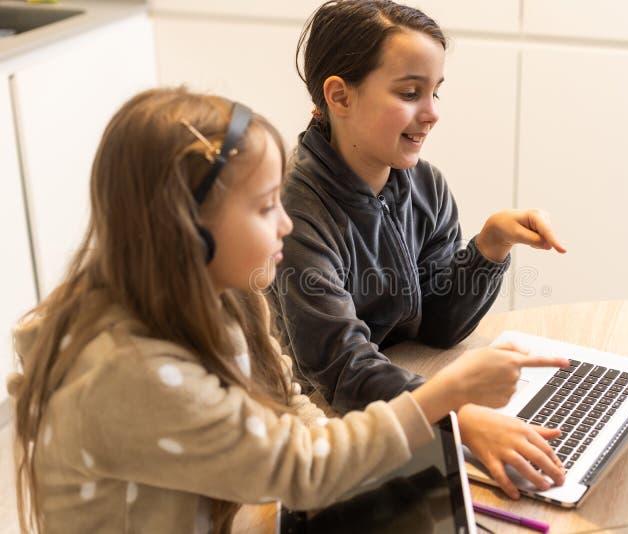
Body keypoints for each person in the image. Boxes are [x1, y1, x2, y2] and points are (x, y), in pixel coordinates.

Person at [8, 87, 568, 534]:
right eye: (264, 205)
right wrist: (445, 398)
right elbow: (303, 471)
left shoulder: (227, 297)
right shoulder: (131, 372)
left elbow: (289, 407)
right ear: (186, 228)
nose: (284, 222)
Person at [269, 0, 569, 500]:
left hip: (397, 391)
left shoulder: (421, 183)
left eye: (435, 92)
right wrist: (457, 414)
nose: (431, 113)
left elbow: (439, 327)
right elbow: (340, 371)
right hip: (315, 426)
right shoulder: (294, 213)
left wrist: (488, 247)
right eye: (410, 93)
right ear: (339, 96)